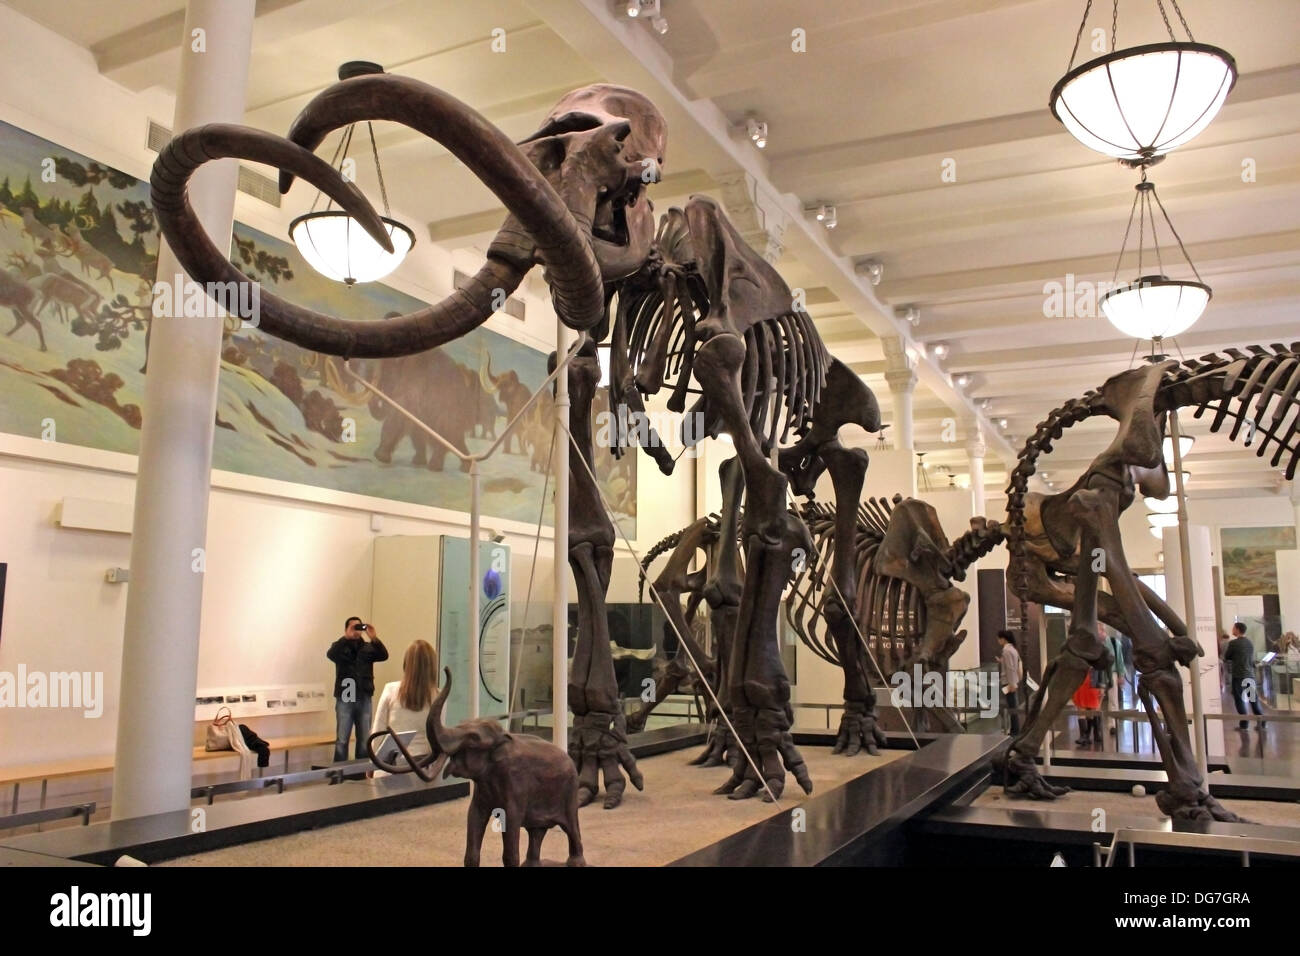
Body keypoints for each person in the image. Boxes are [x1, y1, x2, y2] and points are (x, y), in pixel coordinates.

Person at [371, 640, 440, 771]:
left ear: (406, 663)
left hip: (390, 768)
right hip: (423, 768)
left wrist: (372, 765)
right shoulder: (438, 695)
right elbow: (437, 737)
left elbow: (377, 732)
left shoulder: (390, 689)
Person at [327, 617, 389, 761]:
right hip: (346, 696)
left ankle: (360, 776)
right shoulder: (340, 647)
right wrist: (345, 638)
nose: (356, 631)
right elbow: (330, 654)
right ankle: (339, 776)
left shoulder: (368, 647)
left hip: (364, 696)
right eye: (353, 627)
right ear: (346, 629)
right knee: (342, 740)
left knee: (364, 740)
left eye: (358, 627)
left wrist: (374, 638)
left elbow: (383, 655)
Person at [1222, 622, 1264, 731]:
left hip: (1238, 676)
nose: (1232, 630)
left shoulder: (1233, 643)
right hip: (1250, 675)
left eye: (1233, 628)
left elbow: (1227, 656)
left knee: (1239, 699)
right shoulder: (1249, 643)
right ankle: (1262, 722)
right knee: (1253, 699)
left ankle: (1244, 724)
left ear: (1237, 629)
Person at [997, 630, 1023, 735]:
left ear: (1003, 639)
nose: (998, 641)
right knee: (1013, 705)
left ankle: (1015, 731)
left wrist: (1012, 683)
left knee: (1012, 707)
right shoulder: (1013, 649)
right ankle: (1014, 729)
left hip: (1008, 682)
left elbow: (1010, 668)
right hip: (1012, 681)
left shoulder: (1006, 651)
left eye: (999, 638)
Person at [1072, 670, 1102, 746]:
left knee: (1087, 710)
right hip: (1087, 681)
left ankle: (1085, 736)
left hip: (1087, 681)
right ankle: (1085, 736)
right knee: (1086, 711)